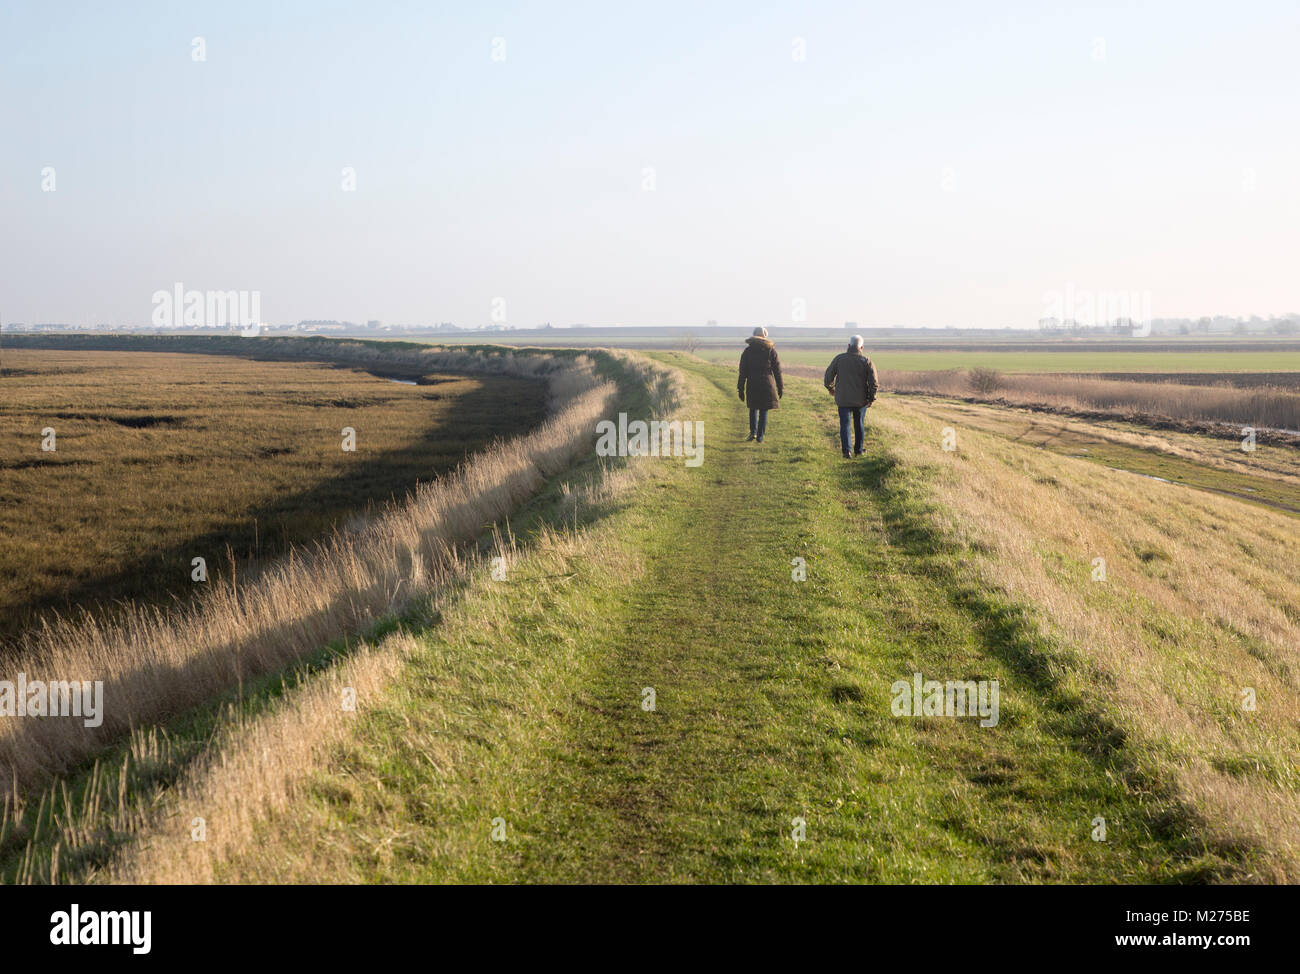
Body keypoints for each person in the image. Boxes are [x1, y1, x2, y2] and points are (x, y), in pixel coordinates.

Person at [823, 335, 879, 458]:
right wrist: (871, 398)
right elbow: (874, 383)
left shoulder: (839, 359)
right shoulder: (867, 361)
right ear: (862, 347)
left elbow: (828, 376)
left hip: (843, 399)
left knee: (845, 424)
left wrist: (830, 388)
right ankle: (858, 450)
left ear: (849, 346)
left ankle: (846, 451)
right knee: (859, 424)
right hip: (861, 400)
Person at [737, 326, 783, 443]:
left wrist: (740, 388)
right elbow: (777, 371)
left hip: (752, 383)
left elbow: (743, 371)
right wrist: (780, 387)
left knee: (753, 408)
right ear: (765, 336)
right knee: (764, 409)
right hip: (767, 384)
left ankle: (753, 432)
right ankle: (760, 436)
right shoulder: (770, 350)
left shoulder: (748, 351)